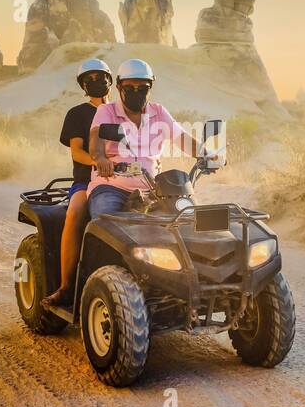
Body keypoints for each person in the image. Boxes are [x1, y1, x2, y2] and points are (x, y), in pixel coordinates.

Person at [88, 58, 199, 219]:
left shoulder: (158, 111)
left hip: (153, 189)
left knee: (186, 220)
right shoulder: (106, 111)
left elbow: (182, 137)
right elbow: (96, 136)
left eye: (142, 88)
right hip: (111, 187)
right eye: (129, 88)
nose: (136, 92)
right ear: (118, 87)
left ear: (150, 88)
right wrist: (99, 157)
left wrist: (207, 154)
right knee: (106, 220)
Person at [42, 59, 112, 308]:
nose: (96, 82)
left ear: (110, 80)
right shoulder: (77, 114)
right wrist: (98, 164)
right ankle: (66, 286)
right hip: (87, 180)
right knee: (74, 212)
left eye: (100, 77)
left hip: (124, 180)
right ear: (83, 85)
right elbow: (76, 152)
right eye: (90, 79)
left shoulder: (121, 112)